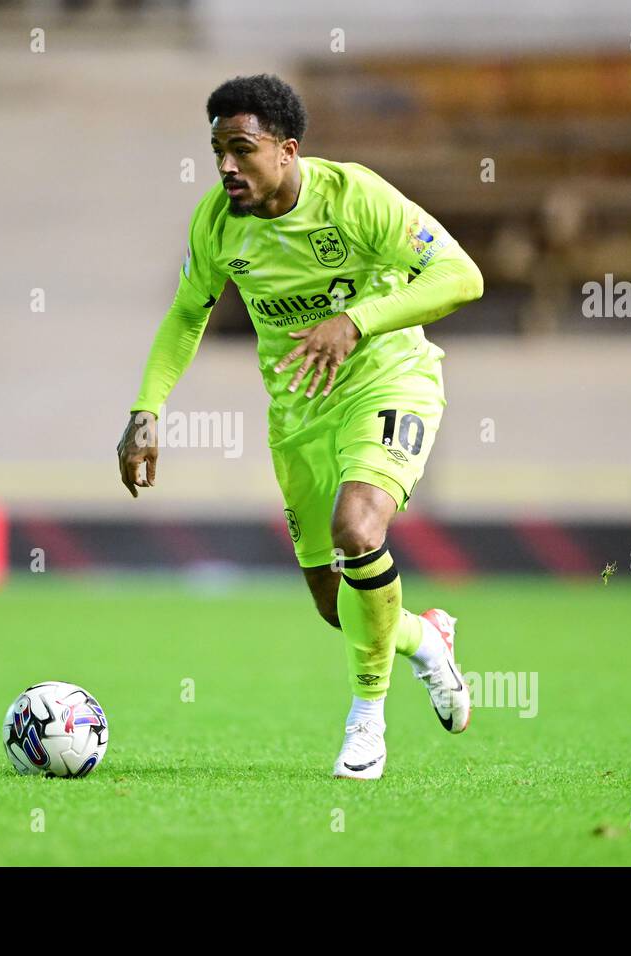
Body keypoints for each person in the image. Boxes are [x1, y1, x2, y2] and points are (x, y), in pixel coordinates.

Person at [116, 74, 484, 779]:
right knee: (335, 606)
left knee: (358, 530)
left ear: (286, 151)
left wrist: (355, 321)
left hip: (388, 381)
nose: (226, 166)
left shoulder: (354, 198)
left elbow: (462, 277)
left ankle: (366, 724)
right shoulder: (216, 224)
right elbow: (187, 314)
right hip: (298, 416)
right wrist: (146, 409)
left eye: (242, 149)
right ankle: (425, 639)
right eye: (218, 150)